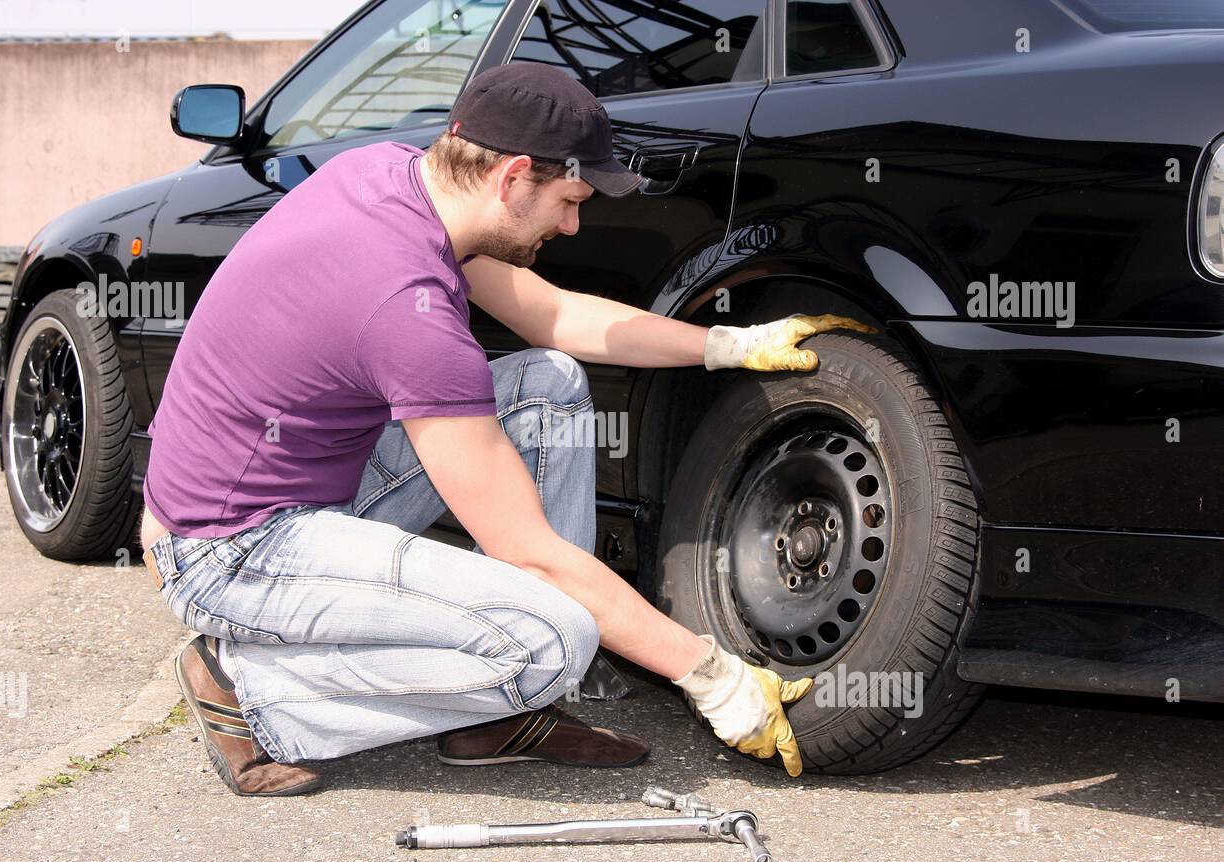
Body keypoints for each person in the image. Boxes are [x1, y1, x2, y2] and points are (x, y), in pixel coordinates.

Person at [138, 62, 872, 796]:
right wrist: (709, 674)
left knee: (548, 386)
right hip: (233, 552)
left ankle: (494, 713)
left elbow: (554, 315)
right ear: (513, 176)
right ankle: (245, 686)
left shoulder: (395, 177)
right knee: (553, 636)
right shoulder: (405, 305)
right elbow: (529, 553)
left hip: (279, 497)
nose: (572, 223)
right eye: (569, 199)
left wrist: (726, 346)